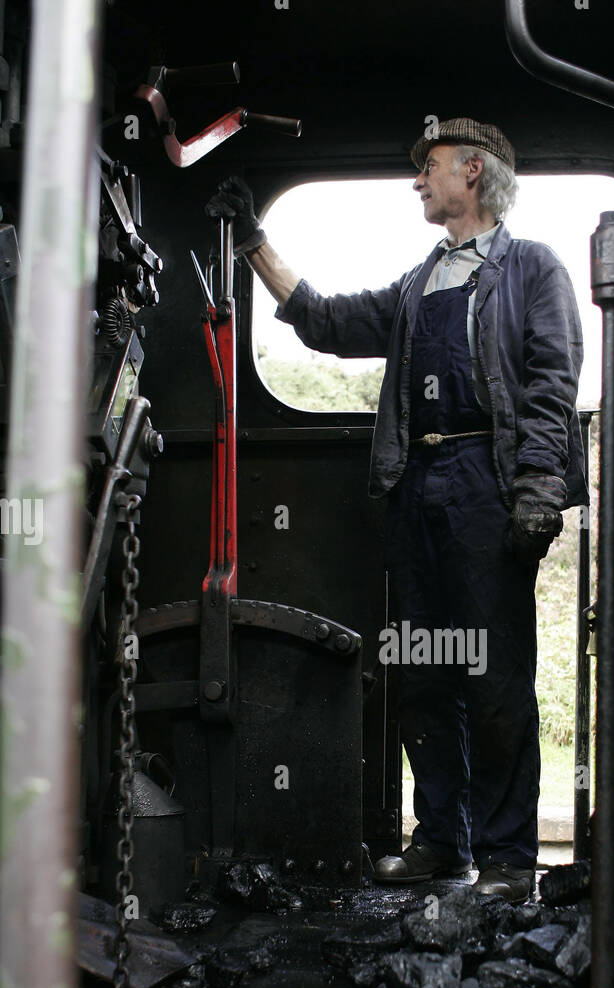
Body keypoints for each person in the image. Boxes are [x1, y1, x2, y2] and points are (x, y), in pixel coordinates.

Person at [206, 117, 586, 903]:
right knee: (423, 669)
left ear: (474, 172)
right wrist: (254, 243)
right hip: (418, 485)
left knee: (495, 673)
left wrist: (539, 491)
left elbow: (553, 382)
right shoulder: (418, 284)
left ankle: (511, 856)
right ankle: (442, 842)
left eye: (431, 166)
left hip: (488, 480)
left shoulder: (533, 269)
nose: (419, 179)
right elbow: (326, 320)